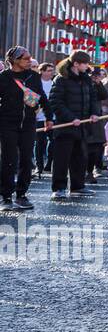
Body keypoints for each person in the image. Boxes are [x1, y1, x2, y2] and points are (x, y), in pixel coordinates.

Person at [1, 46, 51, 211]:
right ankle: (6, 197)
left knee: (26, 160)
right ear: (15, 60)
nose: (30, 61)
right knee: (9, 160)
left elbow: (42, 98)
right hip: (8, 123)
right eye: (26, 58)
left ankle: (21, 195)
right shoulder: (4, 77)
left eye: (30, 58)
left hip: (29, 123)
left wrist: (49, 118)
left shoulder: (33, 76)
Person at [48, 50, 98, 201]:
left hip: (82, 126)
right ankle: (59, 188)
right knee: (61, 159)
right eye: (85, 63)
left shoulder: (86, 80)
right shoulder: (61, 79)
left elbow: (93, 99)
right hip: (65, 126)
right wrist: (71, 118)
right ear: (76, 64)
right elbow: (55, 103)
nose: (88, 66)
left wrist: (94, 113)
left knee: (80, 158)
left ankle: (77, 186)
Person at [32, 62, 55, 178]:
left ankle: (49, 164)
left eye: (52, 70)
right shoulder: (37, 82)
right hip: (38, 117)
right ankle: (38, 167)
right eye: (49, 70)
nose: (52, 73)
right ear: (42, 71)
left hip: (52, 118)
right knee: (39, 143)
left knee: (53, 141)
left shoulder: (54, 83)